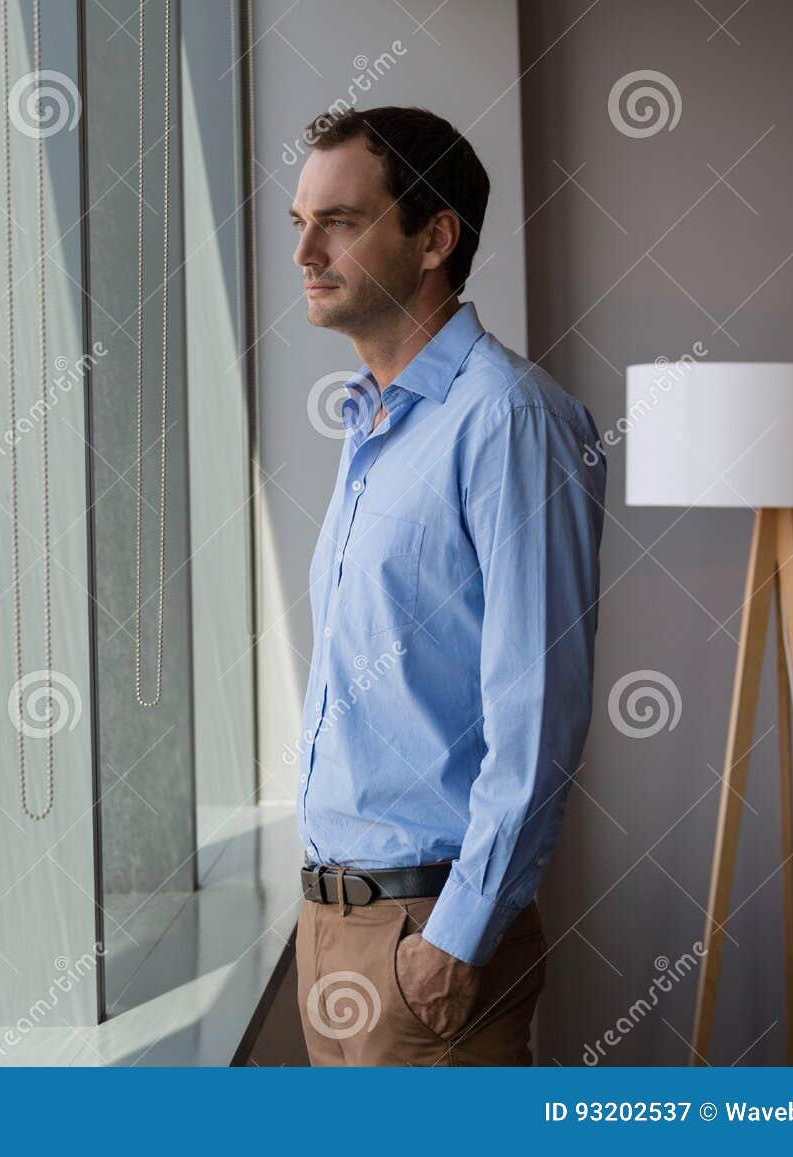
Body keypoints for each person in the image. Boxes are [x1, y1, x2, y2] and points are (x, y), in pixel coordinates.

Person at [289, 105, 607, 1066]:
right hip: (331, 932)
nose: (305, 252)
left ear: (434, 239)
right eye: (299, 223)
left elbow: (539, 707)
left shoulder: (509, 419)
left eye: (339, 222)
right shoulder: (372, 423)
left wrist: (455, 940)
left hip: (425, 936)